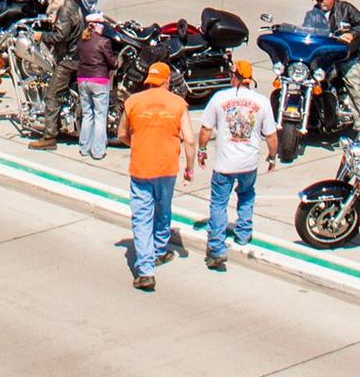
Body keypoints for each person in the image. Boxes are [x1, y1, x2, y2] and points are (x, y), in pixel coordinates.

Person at [116, 62, 195, 291]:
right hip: (167, 167)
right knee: (163, 209)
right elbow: (189, 140)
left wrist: (137, 143)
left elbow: (122, 133)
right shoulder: (178, 103)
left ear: (149, 80)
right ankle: (160, 250)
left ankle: (146, 270)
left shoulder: (133, 102)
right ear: (167, 80)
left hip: (141, 167)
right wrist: (190, 168)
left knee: (141, 217)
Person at [197, 59, 276, 270]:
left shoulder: (219, 98)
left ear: (235, 76)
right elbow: (271, 135)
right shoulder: (262, 101)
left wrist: (202, 150)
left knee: (218, 203)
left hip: (224, 164)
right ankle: (243, 233)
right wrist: (272, 157)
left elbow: (205, 129)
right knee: (247, 195)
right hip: (249, 163)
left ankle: (217, 247)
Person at [27, 0, 86, 151]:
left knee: (52, 96)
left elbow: (60, 35)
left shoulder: (65, 10)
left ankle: (49, 137)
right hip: (77, 56)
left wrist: (41, 36)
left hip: (68, 60)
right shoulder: (74, 4)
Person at [308, 0, 360, 130]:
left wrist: (352, 34)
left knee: (354, 84)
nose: (320, 3)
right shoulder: (313, 13)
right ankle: (312, 113)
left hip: (347, 55)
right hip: (325, 57)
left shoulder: (345, 8)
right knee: (307, 78)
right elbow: (305, 30)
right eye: (317, 0)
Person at [75, 12, 119, 159]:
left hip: (83, 80)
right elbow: (113, 63)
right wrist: (119, 61)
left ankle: (84, 148)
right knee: (100, 116)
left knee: (87, 114)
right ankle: (98, 151)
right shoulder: (104, 42)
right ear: (97, 26)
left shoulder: (82, 41)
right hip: (99, 80)